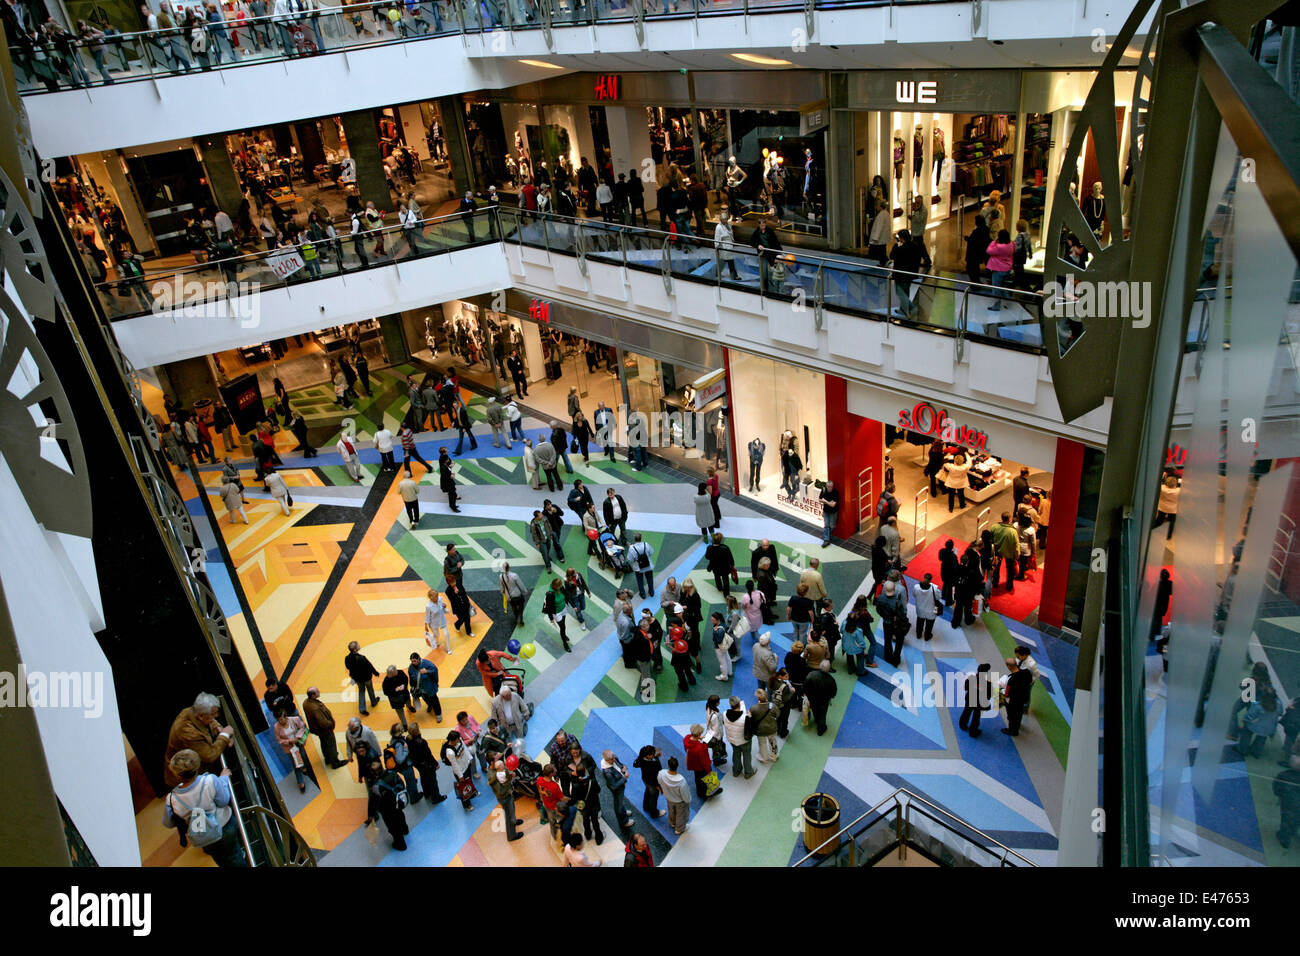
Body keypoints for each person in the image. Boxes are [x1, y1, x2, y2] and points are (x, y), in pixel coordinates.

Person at [162, 750, 248, 867]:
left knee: (219, 858)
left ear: (177, 775)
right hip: (225, 827)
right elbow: (223, 801)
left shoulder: (171, 799)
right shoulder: (210, 780)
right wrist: (223, 779)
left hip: (203, 834)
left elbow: (168, 823)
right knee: (233, 854)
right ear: (197, 766)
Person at [303, 687, 347, 769]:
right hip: (325, 730)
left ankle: (327, 758)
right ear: (313, 695)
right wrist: (331, 723)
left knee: (323, 743)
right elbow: (323, 722)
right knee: (331, 745)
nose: (319, 692)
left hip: (317, 730)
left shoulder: (306, 703)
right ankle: (335, 762)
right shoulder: (315, 708)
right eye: (317, 692)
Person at [874, 578, 908, 666]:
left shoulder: (880, 598)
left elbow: (878, 610)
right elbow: (902, 614)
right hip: (896, 624)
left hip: (886, 622)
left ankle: (888, 656)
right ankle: (896, 659)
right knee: (899, 641)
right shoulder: (897, 601)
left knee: (887, 640)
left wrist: (885, 616)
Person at [489, 759, 524, 842]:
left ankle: (514, 820)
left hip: (508, 795)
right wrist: (509, 781)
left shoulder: (497, 771)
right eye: (497, 757)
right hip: (505, 798)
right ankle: (511, 836)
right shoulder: (493, 775)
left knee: (512, 810)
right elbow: (501, 791)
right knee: (509, 816)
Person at [841, 595, 878, 674]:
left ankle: (851, 669)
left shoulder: (853, 611)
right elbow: (871, 620)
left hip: (853, 630)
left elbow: (842, 629)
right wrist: (863, 647)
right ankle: (869, 661)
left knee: (850, 654)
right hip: (865, 629)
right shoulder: (864, 613)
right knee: (873, 643)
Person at [658, 756, 692, 835]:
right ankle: (679, 829)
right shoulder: (681, 780)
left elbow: (659, 781)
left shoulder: (662, 773)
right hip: (679, 801)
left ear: (668, 765)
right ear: (677, 765)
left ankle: (672, 822)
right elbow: (685, 795)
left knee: (671, 811)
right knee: (680, 815)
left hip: (668, 798)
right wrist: (687, 801)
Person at [803, 659, 838, 736]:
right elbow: (833, 692)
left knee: (815, 709)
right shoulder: (831, 680)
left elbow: (805, 685)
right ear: (829, 669)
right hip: (824, 700)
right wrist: (830, 697)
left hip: (812, 698)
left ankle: (816, 719)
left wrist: (807, 694)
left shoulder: (811, 675)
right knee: (823, 713)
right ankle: (821, 729)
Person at [959, 663, 994, 737]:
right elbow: (989, 696)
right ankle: (973, 732)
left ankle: (963, 725)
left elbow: (966, 687)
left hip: (970, 699)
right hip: (980, 702)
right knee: (976, 716)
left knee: (966, 712)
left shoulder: (971, 678)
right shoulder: (988, 684)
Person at [1001, 658, 1033, 736]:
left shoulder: (1010, 680)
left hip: (1012, 702)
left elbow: (1006, 694)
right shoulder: (1026, 673)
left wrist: (1001, 689)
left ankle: (1012, 731)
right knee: (1018, 714)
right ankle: (1017, 726)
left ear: (1009, 666)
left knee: (1012, 716)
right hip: (1022, 699)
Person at [381, 664, 417, 730]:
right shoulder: (386, 681)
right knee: (400, 712)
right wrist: (395, 690)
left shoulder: (400, 672)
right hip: (395, 698)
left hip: (404, 694)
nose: (396, 673)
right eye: (394, 673)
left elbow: (406, 679)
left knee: (408, 701)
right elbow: (385, 692)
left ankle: (409, 707)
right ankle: (404, 724)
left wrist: (404, 685)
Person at [408, 652, 442, 720]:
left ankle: (438, 715)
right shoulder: (411, 667)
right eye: (412, 661)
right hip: (421, 688)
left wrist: (427, 671)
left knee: (435, 700)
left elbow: (435, 670)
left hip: (429, 686)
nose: (413, 663)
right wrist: (412, 687)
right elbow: (411, 678)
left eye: (415, 661)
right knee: (425, 698)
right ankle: (430, 705)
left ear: (419, 659)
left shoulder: (427, 664)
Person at [753, 217, 783, 293]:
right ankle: (765, 289)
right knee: (764, 274)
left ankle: (773, 290)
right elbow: (751, 241)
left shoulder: (770, 232)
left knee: (772, 274)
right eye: (762, 224)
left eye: (764, 224)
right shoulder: (757, 232)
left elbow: (776, 243)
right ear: (759, 225)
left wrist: (780, 253)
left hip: (771, 255)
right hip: (763, 255)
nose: (763, 225)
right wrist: (758, 245)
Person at [992, 512, 1020, 592]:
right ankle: (1009, 586)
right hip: (1009, 553)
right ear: (1009, 519)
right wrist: (1017, 555)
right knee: (1010, 570)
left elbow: (991, 539)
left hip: (997, 551)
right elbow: (1016, 545)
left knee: (996, 568)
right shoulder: (1012, 531)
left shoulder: (994, 527)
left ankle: (995, 582)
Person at [751, 688, 780, 762]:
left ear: (758, 698)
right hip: (772, 728)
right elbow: (778, 714)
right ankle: (774, 756)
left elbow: (752, 719)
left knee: (762, 744)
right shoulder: (772, 706)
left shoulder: (754, 708)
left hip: (761, 730)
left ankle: (763, 758)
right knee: (773, 742)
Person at [912, 573, 942, 642]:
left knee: (919, 623)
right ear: (931, 580)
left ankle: (918, 635)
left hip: (920, 609)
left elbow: (914, 594)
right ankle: (927, 636)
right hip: (931, 611)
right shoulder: (934, 589)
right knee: (929, 625)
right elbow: (938, 597)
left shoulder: (916, 587)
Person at [705, 532, 736, 597]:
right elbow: (730, 558)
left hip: (715, 567)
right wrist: (732, 565)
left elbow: (707, 557)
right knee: (725, 580)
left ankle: (719, 588)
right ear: (721, 540)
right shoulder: (725, 548)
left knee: (717, 577)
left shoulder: (709, 548)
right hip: (725, 568)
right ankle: (726, 594)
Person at [499, 561, 528, 628]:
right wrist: (525, 591)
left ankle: (516, 618)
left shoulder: (501, 577)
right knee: (521, 607)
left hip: (509, 596)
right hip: (517, 594)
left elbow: (502, 587)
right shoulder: (514, 575)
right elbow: (520, 585)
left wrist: (503, 592)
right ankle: (520, 618)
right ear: (509, 567)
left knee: (514, 607)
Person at [444, 576, 472, 641]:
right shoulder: (447, 591)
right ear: (449, 583)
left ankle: (469, 632)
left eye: (454, 581)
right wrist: (456, 593)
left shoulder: (459, 584)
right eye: (452, 582)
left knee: (467, 618)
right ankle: (457, 625)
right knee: (461, 619)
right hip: (458, 608)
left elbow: (464, 593)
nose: (454, 583)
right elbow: (452, 601)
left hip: (465, 604)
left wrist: (468, 601)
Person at [1154, 474, 1180, 539]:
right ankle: (1168, 536)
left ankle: (1153, 529)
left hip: (1162, 507)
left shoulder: (1162, 488)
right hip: (1173, 509)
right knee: (1171, 522)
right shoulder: (1178, 491)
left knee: (1159, 520)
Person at [438, 446, 460, 512]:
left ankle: (453, 505)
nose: (448, 460)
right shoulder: (443, 467)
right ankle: (453, 507)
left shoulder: (445, 466)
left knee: (452, 493)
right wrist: (451, 476)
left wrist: (451, 474)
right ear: (445, 461)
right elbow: (445, 476)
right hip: (447, 483)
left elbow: (448, 469)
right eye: (447, 460)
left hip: (449, 482)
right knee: (452, 494)